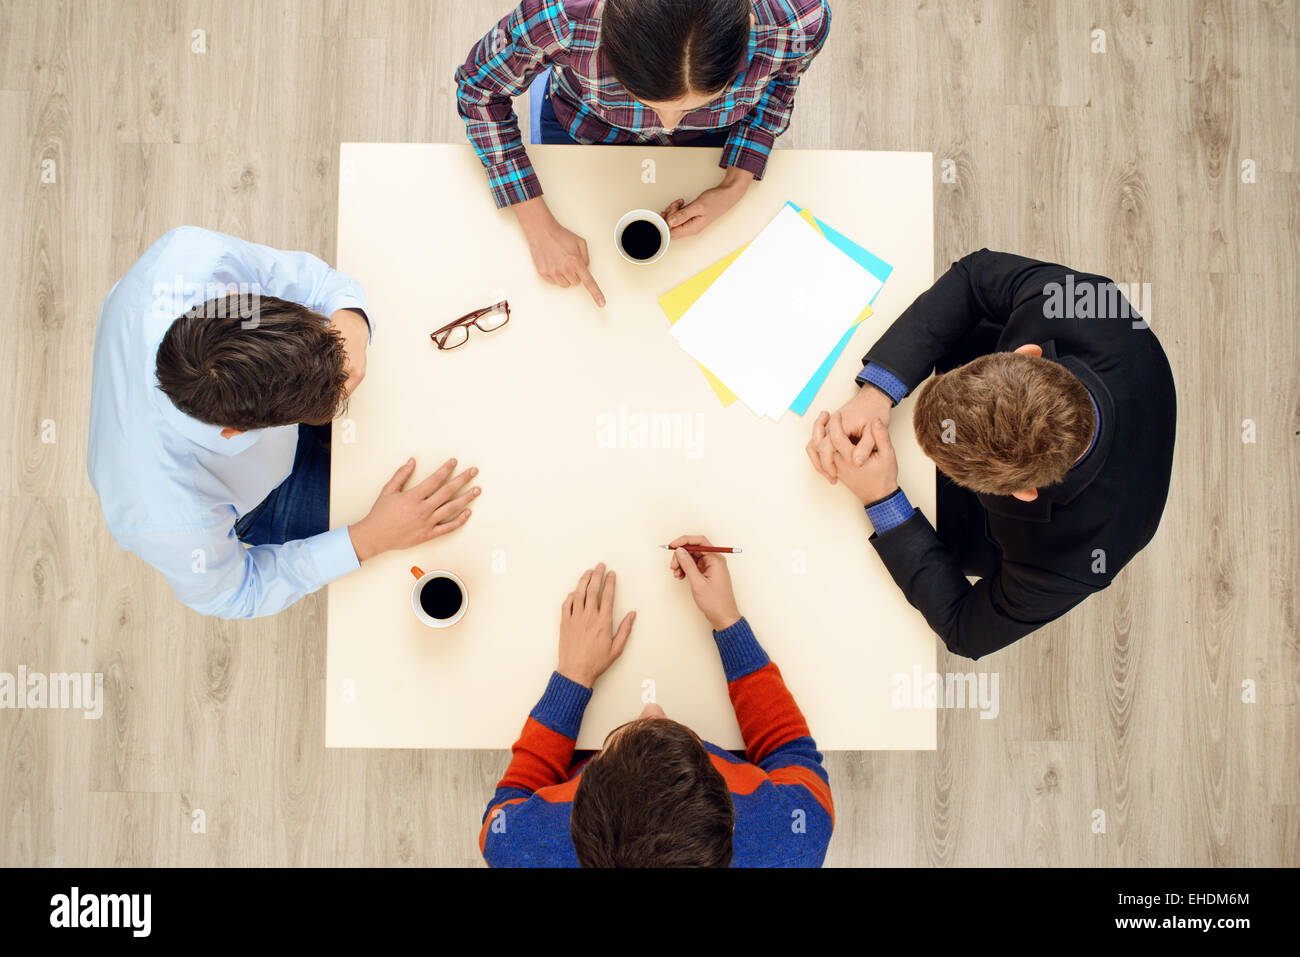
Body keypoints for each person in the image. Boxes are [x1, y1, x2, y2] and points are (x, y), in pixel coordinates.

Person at [87, 226, 481, 619]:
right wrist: (369, 539)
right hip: (259, 501)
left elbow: (318, 283)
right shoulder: (171, 519)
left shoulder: (196, 260)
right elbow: (237, 593)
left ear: (236, 301)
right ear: (237, 432)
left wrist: (351, 331)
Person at [806, 249, 1177, 659]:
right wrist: (880, 389)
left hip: (966, 528)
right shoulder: (1090, 305)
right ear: (1026, 354)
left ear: (1025, 493)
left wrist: (882, 498)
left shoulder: (1076, 559)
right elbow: (975, 277)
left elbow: (966, 630)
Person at [479, 538, 833, 867]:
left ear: (575, 815)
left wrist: (572, 679)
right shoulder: (795, 837)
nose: (653, 709)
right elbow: (791, 752)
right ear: (730, 813)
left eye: (612, 750)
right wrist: (728, 621)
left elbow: (513, 797)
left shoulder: (518, 846)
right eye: (694, 746)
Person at [454, 0, 832, 305]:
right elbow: (479, 89)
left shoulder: (799, 21)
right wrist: (537, 225)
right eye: (645, 100)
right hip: (585, 128)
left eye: (692, 105)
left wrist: (734, 186)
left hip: (709, 142)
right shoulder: (561, 15)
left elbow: (783, 85)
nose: (667, 125)